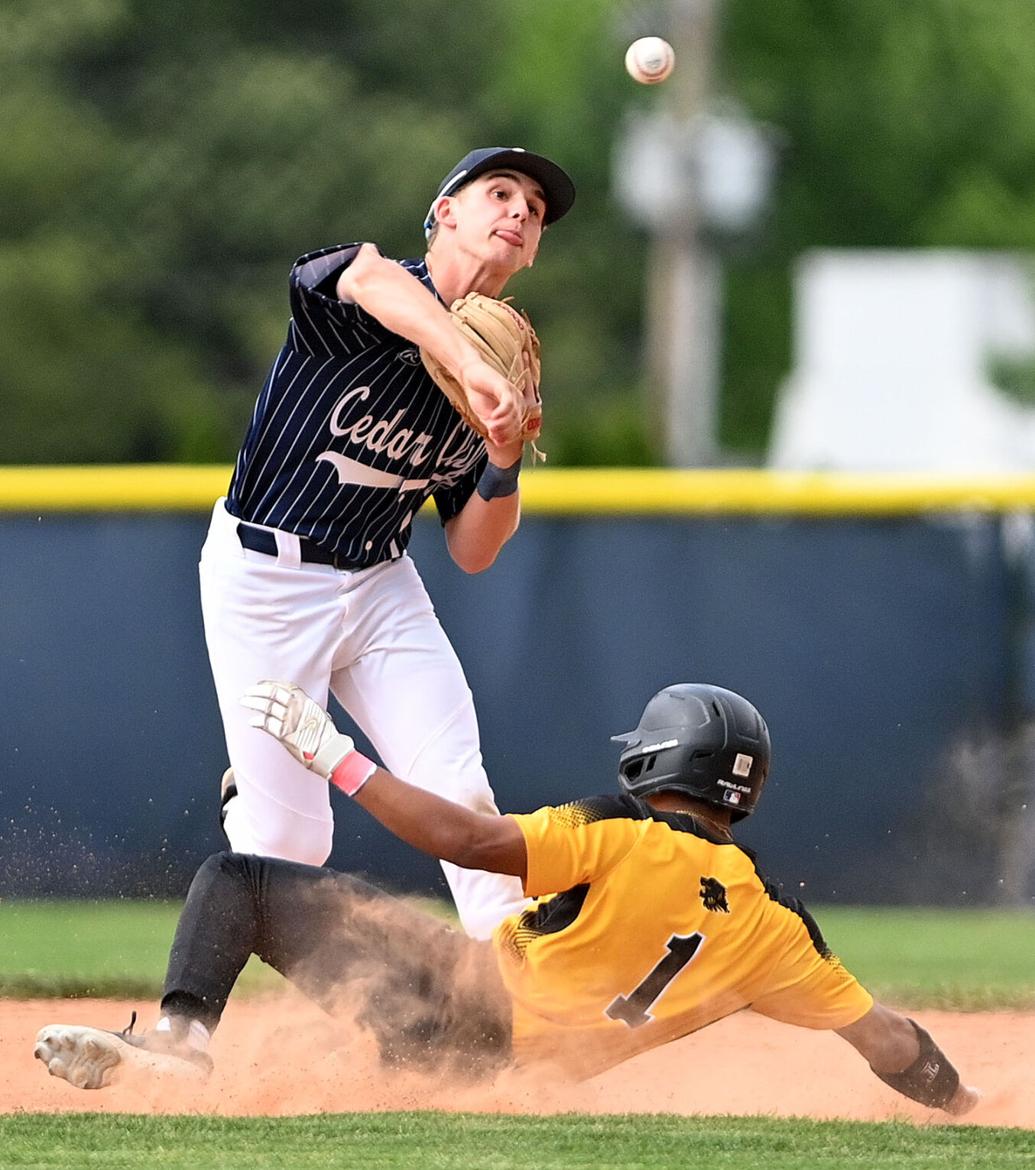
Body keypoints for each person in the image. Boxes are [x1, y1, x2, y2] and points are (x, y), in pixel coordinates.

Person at [35, 681, 978, 1115]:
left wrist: (336, 758)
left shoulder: (623, 828)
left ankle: (180, 1045)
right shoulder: (777, 928)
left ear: (658, 760)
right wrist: (969, 1103)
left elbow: (469, 842)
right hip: (501, 1077)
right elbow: (889, 1042)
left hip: (461, 1004)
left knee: (236, 880)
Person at [199, 146, 576, 940]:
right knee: (293, 848)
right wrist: (469, 365)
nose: (518, 211)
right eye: (498, 192)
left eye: (535, 210)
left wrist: (504, 454)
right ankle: (248, 815)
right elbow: (367, 275)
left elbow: (473, 550)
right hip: (266, 579)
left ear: (534, 249)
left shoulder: (492, 374)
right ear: (444, 213)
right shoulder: (362, 300)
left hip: (379, 584)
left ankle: (518, 979)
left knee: (458, 789)